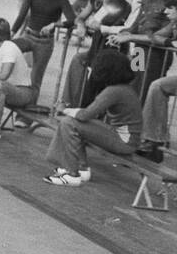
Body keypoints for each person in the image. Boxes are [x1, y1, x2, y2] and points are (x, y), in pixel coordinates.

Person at [44, 50, 143, 186]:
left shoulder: (114, 91)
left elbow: (85, 115)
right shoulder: (121, 88)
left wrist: (64, 109)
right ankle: (81, 168)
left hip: (124, 141)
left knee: (69, 123)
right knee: (73, 123)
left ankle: (72, 174)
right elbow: (88, 114)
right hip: (125, 138)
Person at [113, 0, 177, 93]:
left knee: (147, 90)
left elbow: (163, 36)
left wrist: (130, 37)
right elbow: (137, 24)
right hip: (140, 50)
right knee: (134, 87)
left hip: (156, 54)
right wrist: (123, 33)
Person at [135, 0, 177, 162]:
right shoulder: (175, 24)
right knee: (151, 85)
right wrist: (171, 42)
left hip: (154, 58)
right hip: (140, 51)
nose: (165, 11)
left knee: (153, 85)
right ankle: (152, 137)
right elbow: (154, 36)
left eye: (170, 8)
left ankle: (153, 138)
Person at [60, 0, 125, 109]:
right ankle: (69, 102)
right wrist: (81, 26)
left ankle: (90, 110)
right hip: (98, 46)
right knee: (78, 60)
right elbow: (80, 18)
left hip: (115, 49)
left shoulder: (114, 0)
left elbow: (101, 22)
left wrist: (93, 22)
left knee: (102, 77)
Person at [11, 0, 75, 99]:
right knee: (8, 50)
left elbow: (71, 20)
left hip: (45, 42)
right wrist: (12, 33)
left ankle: (28, 109)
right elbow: (22, 16)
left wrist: (54, 24)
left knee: (36, 78)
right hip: (28, 36)